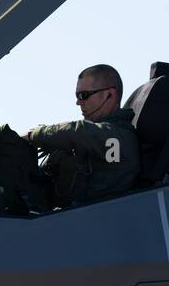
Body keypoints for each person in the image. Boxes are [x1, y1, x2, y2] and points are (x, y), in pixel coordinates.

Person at [25, 64, 140, 208]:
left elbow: (81, 132)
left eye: (83, 95)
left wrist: (34, 135)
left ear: (109, 94)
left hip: (96, 222)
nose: (78, 102)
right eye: (77, 96)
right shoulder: (94, 141)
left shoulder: (117, 141)